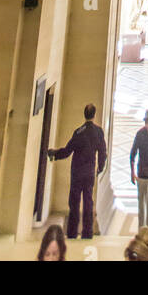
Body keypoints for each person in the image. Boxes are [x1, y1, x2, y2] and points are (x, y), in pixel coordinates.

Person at [48, 102, 107, 240]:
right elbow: (102, 151)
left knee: (74, 203)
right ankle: (87, 232)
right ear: (94, 115)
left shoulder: (78, 132)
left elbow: (68, 151)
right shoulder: (98, 132)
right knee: (88, 202)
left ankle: (72, 232)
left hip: (77, 172)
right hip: (89, 172)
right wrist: (100, 167)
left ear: (84, 115)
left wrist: (54, 154)